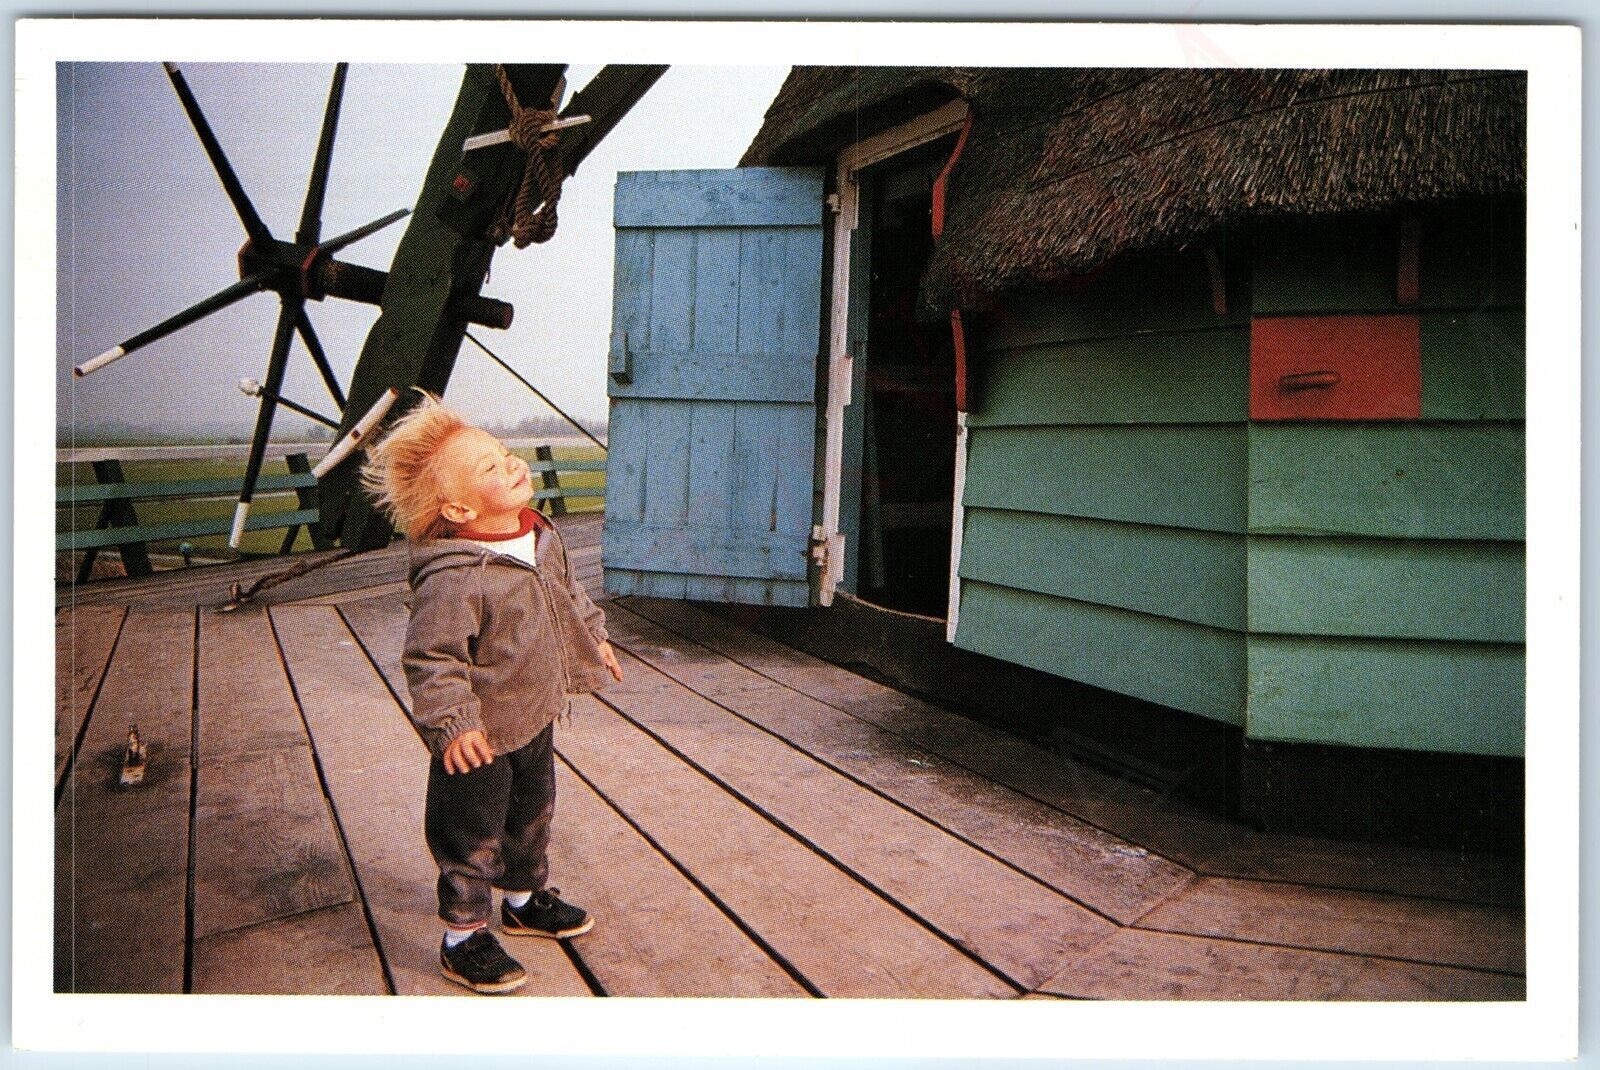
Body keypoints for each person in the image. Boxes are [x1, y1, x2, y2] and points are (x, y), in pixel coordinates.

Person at [360, 390, 623, 994]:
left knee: (532, 815)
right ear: (457, 507)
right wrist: (453, 727)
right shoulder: (455, 576)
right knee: (471, 836)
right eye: (491, 468)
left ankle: (525, 900)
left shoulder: (537, 537)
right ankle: (464, 936)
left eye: (506, 455)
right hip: (477, 738)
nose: (512, 465)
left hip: (533, 715)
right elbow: (432, 658)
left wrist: (595, 640)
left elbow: (567, 600)